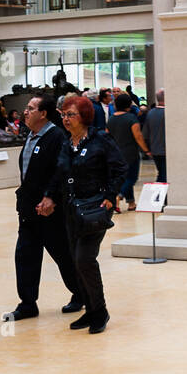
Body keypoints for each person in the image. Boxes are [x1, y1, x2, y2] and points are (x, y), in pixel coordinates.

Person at [49, 93, 126, 334]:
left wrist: (110, 196)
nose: (65, 119)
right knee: (75, 261)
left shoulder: (100, 140)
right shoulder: (66, 142)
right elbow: (59, 173)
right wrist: (49, 196)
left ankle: (100, 310)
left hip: (95, 209)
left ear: (84, 116)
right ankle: (90, 310)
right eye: (63, 115)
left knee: (85, 259)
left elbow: (119, 168)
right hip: (71, 209)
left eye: (70, 114)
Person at [2, 94, 82, 322]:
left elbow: (63, 171)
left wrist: (52, 198)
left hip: (50, 211)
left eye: (30, 108)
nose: (25, 112)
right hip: (28, 209)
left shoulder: (56, 137)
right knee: (25, 255)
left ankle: (80, 293)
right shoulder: (30, 136)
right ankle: (27, 303)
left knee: (63, 254)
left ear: (43, 113)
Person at [108, 91, 149, 210]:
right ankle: (119, 195)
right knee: (132, 178)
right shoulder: (131, 118)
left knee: (124, 177)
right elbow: (138, 136)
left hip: (115, 152)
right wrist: (146, 150)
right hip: (130, 153)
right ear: (129, 105)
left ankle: (131, 203)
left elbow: (107, 135)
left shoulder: (111, 118)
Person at [141, 89, 166, 183]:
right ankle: (159, 196)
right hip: (165, 151)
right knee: (164, 175)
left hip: (155, 150)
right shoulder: (168, 113)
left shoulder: (150, 113)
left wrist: (147, 150)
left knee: (162, 173)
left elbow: (145, 134)